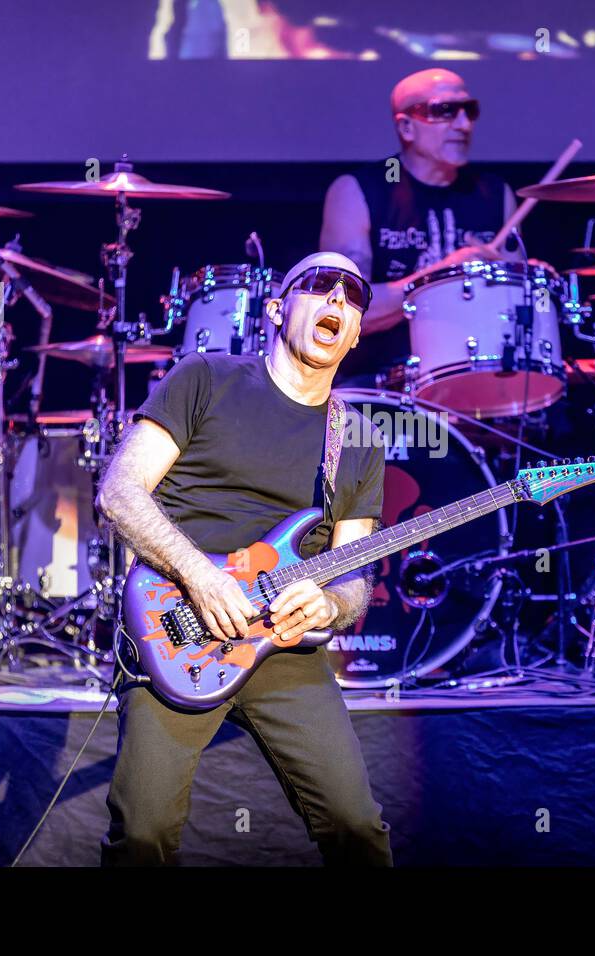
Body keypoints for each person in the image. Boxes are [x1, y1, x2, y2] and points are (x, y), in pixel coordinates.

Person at [97, 251, 393, 866]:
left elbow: (353, 573)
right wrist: (200, 576)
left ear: (359, 331)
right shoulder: (205, 377)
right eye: (319, 285)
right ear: (277, 309)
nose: (338, 301)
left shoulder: (358, 437)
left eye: (354, 296)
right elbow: (119, 493)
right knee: (144, 835)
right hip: (176, 626)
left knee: (357, 829)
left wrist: (332, 602)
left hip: (281, 649)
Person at [319, 67, 522, 381]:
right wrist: (442, 275)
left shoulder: (495, 193)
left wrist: (532, 280)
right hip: (381, 382)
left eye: (470, 111)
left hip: (475, 377)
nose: (464, 125)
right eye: (444, 111)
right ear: (406, 127)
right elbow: (346, 312)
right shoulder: (360, 191)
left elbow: (512, 307)